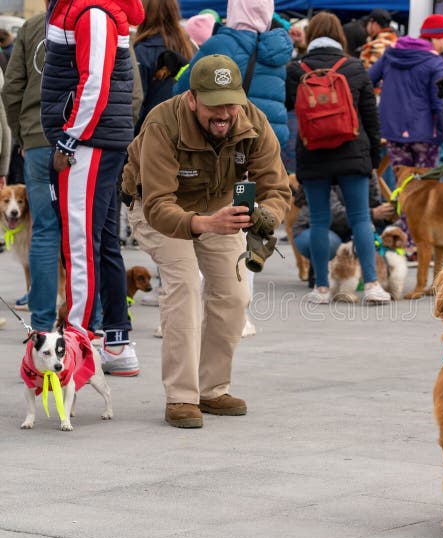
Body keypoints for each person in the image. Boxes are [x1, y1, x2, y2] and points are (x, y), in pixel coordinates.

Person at [123, 54, 291, 428]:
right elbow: (157, 205)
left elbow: (278, 187)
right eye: (214, 104)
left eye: (231, 102)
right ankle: (181, 397)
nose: (224, 113)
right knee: (183, 285)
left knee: (234, 293)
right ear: (192, 99)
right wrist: (204, 223)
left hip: (216, 207)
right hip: (157, 208)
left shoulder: (253, 122)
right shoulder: (162, 123)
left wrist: (268, 216)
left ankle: (212, 389)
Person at [40, 0, 144, 375]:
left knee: (81, 244)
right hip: (93, 140)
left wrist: (71, 137)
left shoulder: (91, 10)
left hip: (88, 143)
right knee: (99, 242)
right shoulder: (87, 9)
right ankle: (116, 342)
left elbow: (95, 79)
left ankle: (77, 344)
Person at [286, 12, 390, 305]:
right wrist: (372, 159)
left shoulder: (296, 69)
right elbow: (371, 117)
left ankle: (320, 288)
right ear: (339, 36)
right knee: (360, 219)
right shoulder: (355, 67)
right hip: (351, 151)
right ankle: (371, 284)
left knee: (319, 220)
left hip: (313, 152)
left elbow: (289, 110)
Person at [175, 0, 294, 151]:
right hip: (268, 140)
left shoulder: (221, 44)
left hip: (229, 138)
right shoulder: (276, 50)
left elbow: (183, 91)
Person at [2, 5, 56, 329]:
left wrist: (22, 136)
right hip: (87, 142)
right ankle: (92, 321)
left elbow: (12, 90)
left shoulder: (32, 27)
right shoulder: (102, 20)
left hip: (37, 140)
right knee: (87, 233)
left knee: (45, 232)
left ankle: (43, 322)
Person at [369, 14, 443, 168]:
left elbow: (367, 80)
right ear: (433, 38)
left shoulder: (391, 53)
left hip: (393, 130)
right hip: (426, 134)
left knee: (403, 186)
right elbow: (439, 102)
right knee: (424, 187)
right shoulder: (436, 63)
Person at [133, 0, 196, 134]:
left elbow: (136, 101)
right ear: (174, 12)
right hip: (185, 131)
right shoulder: (191, 47)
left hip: (151, 133)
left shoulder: (140, 52)